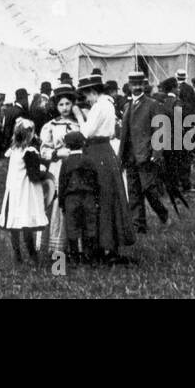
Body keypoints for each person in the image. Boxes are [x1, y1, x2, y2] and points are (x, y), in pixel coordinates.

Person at [77, 71, 135, 259]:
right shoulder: (109, 104)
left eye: (86, 95)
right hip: (107, 151)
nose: (86, 99)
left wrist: (79, 116)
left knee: (100, 198)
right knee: (111, 197)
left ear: (93, 92)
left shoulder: (98, 107)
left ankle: (102, 244)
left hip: (96, 151)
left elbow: (86, 132)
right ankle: (111, 244)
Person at [120, 71, 169, 233]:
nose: (137, 87)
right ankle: (139, 225)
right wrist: (121, 156)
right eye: (134, 84)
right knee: (133, 191)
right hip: (130, 156)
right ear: (129, 86)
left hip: (146, 155)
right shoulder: (127, 106)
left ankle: (163, 214)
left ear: (144, 85)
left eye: (140, 84)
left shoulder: (152, 104)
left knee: (148, 189)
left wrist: (157, 153)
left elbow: (159, 130)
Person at [0, 117, 48, 265]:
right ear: (30, 134)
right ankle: (33, 256)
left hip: (13, 191)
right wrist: (43, 170)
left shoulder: (13, 150)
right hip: (26, 191)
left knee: (15, 223)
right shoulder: (30, 151)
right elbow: (34, 175)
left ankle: (17, 255)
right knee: (27, 222)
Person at [39, 81, 78, 254]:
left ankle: (78, 248)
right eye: (61, 104)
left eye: (67, 104)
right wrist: (56, 154)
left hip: (77, 168)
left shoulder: (80, 123)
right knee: (57, 204)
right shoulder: (51, 126)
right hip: (58, 168)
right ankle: (58, 250)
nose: (64, 108)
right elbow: (44, 150)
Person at [57, 131, 98, 263]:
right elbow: (96, 180)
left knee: (72, 227)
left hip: (71, 198)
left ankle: (74, 257)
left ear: (68, 146)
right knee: (89, 226)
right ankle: (89, 257)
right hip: (88, 197)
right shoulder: (90, 161)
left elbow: (62, 183)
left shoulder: (66, 162)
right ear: (83, 143)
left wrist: (62, 202)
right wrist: (96, 198)